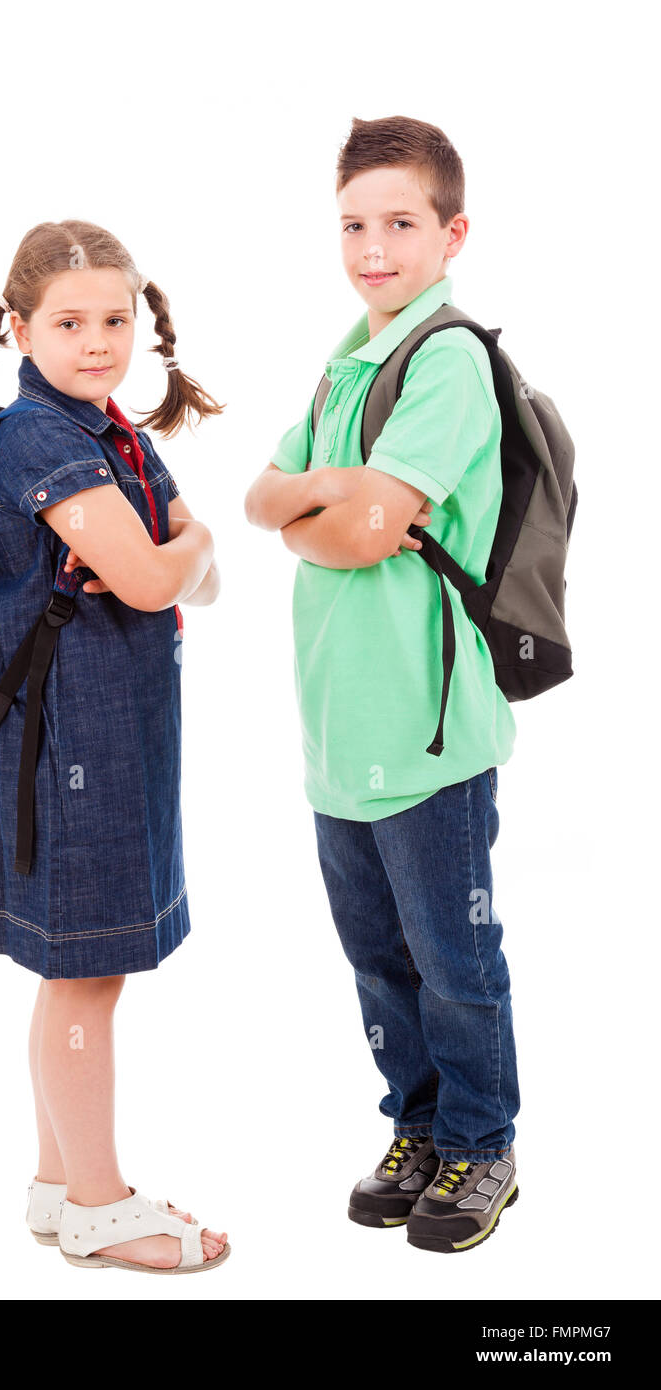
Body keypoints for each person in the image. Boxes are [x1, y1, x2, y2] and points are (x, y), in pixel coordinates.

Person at [0, 219, 230, 1274]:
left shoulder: (112, 430)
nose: (97, 340)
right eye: (69, 322)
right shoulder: (43, 440)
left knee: (73, 972)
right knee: (83, 973)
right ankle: (102, 1206)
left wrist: (181, 550)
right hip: (71, 744)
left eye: (114, 319)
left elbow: (199, 558)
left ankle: (59, 1185)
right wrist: (179, 554)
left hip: (111, 731)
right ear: (21, 327)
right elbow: (160, 579)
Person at [245, 117, 520, 1253]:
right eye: (353, 224)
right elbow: (263, 496)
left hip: (423, 728)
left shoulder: (445, 356)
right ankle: (416, 1126)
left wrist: (328, 506)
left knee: (452, 959)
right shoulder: (345, 355)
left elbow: (361, 530)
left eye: (399, 223)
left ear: (450, 234)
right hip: (334, 726)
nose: (371, 247)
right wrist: (324, 502)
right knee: (376, 956)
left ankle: (481, 1140)